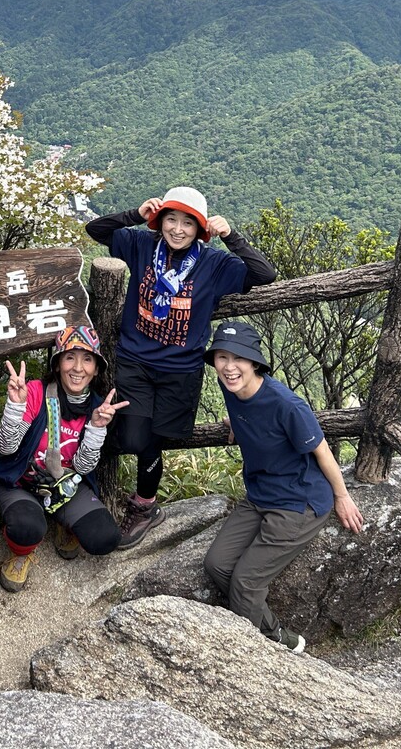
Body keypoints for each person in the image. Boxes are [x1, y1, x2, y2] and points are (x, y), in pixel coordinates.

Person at [85, 186, 276, 547]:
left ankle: (145, 506)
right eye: (171, 219)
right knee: (131, 438)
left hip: (181, 371)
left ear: (200, 230)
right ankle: (144, 504)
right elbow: (96, 231)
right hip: (136, 362)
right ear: (159, 222)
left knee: (158, 437)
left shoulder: (215, 264)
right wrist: (134, 215)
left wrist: (232, 237)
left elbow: (264, 274)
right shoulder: (142, 245)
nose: (177, 229)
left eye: (188, 223)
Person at [201, 320, 365, 653]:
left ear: (255, 363)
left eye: (238, 359)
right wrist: (237, 424)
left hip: (298, 502)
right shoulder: (229, 386)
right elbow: (248, 413)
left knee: (246, 583)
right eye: (221, 357)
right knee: (216, 564)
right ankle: (274, 632)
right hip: (260, 493)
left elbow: (322, 452)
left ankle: (251, 654)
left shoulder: (287, 405)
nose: (229, 367)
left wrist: (342, 496)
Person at [0, 324, 126, 592]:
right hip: (23, 483)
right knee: (27, 528)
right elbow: (6, 448)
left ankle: (63, 520)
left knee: (105, 538)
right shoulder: (34, 392)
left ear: (96, 369)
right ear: (57, 365)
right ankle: (22, 551)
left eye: (87, 359)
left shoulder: (98, 408)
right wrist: (16, 406)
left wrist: (97, 428)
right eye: (70, 357)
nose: (78, 368)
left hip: (65, 486)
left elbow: (83, 466)